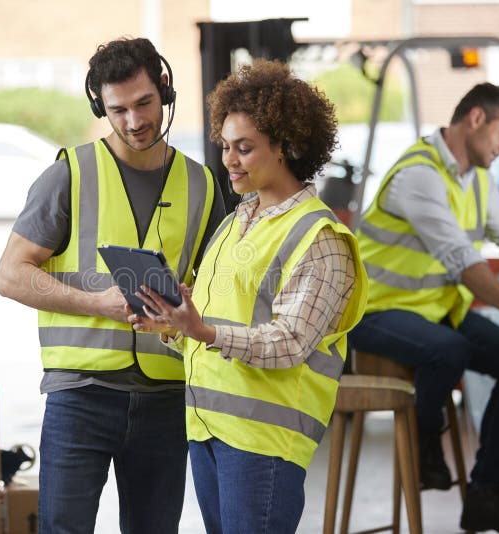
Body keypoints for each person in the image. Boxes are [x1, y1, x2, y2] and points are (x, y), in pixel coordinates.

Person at [0, 37, 225, 534]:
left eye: (144, 103)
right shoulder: (68, 175)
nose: (134, 121)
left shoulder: (204, 185)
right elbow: (11, 275)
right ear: (101, 106)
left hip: (166, 396)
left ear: (164, 89)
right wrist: (96, 302)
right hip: (81, 394)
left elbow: (217, 289)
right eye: (118, 110)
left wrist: (191, 304)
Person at [129, 59, 368, 534]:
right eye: (225, 147)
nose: (230, 161)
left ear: (285, 147)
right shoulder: (236, 220)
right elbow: (216, 321)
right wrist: (174, 325)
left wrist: (203, 329)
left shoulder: (319, 237)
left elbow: (290, 343)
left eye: (245, 148)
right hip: (207, 428)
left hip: (264, 442)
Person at [347, 82, 499, 533]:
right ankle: (426, 446)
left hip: (432, 313)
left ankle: (484, 493)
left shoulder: (476, 180)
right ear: (476, 119)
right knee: (449, 350)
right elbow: (463, 261)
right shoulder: (420, 175)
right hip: (374, 312)